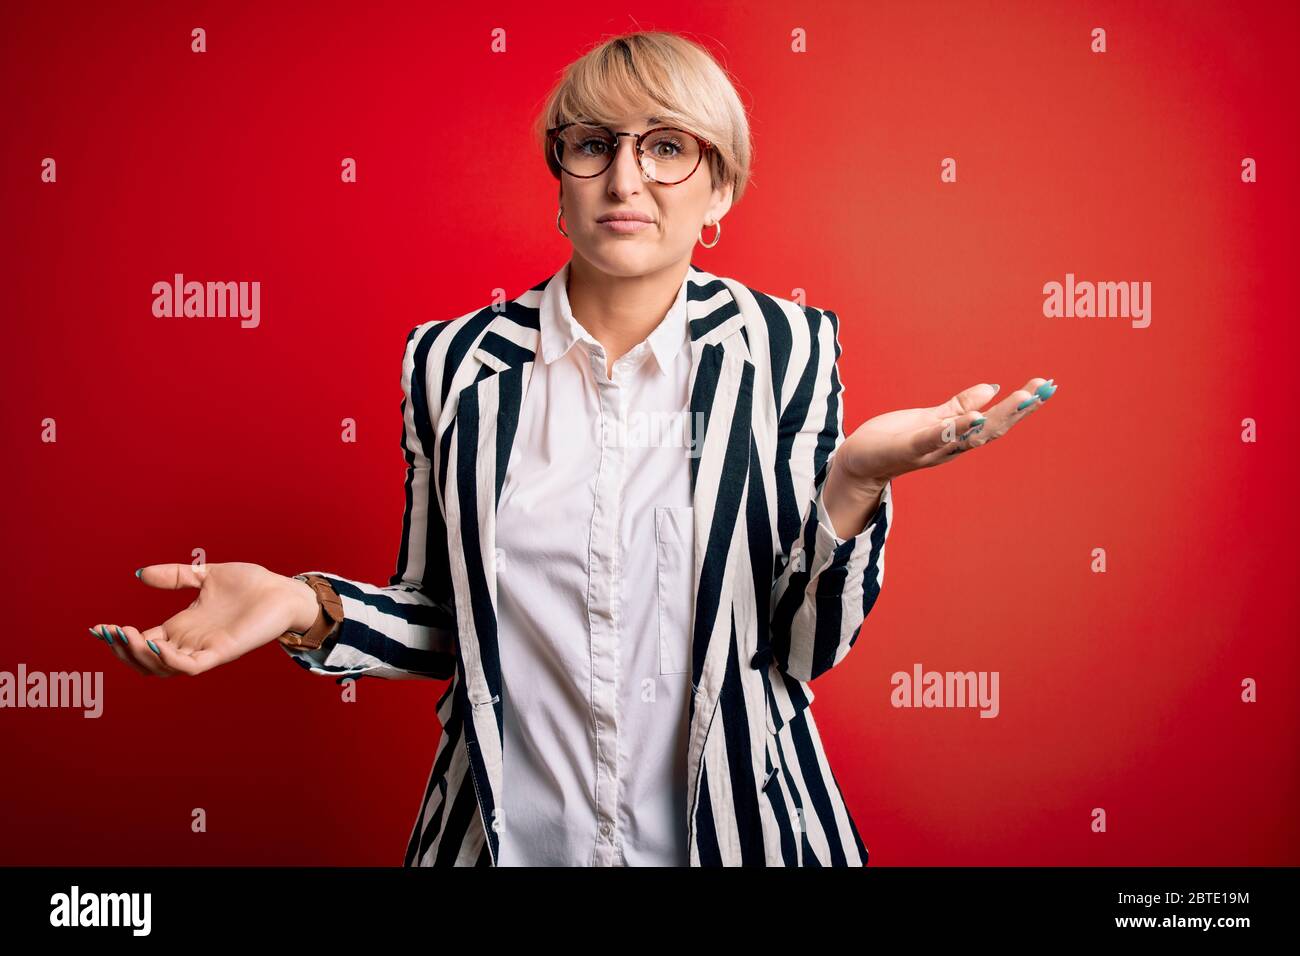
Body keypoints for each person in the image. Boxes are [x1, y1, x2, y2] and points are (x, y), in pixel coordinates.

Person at [92, 30, 1057, 866]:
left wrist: (855, 480)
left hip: (740, 835)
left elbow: (801, 648)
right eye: (594, 146)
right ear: (560, 178)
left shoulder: (788, 348)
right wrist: (310, 608)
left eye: (668, 148)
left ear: (719, 188)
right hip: (502, 840)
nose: (627, 178)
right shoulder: (451, 362)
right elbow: (449, 621)